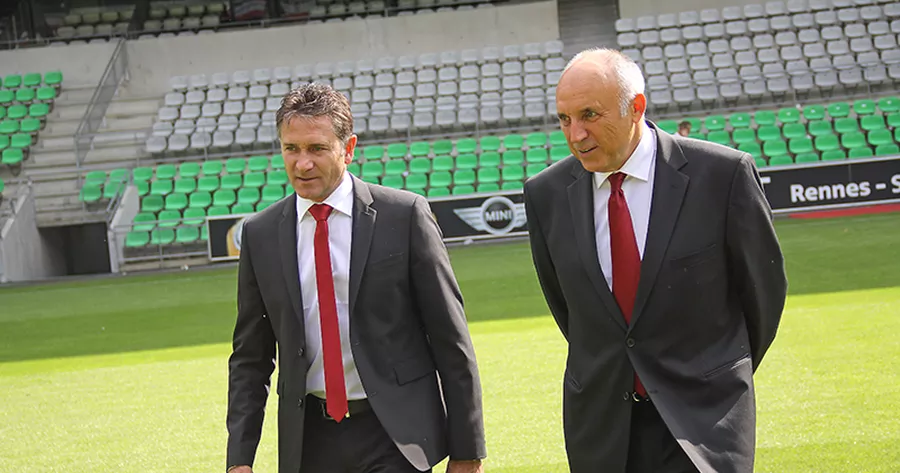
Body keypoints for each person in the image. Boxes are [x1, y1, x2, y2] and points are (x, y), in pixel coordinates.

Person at [523, 48, 787, 473]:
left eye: (590, 114)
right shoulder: (546, 195)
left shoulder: (723, 176)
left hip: (704, 426)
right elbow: (569, 309)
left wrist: (712, 375)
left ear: (636, 108)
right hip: (603, 431)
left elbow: (763, 299)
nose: (576, 134)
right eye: (564, 119)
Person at [226, 83, 486, 473]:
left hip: (396, 437)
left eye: (316, 148)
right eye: (291, 149)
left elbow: (451, 340)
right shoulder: (261, 235)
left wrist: (467, 450)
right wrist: (239, 460)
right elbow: (251, 357)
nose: (302, 164)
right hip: (309, 442)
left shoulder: (404, 216)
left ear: (348, 149)